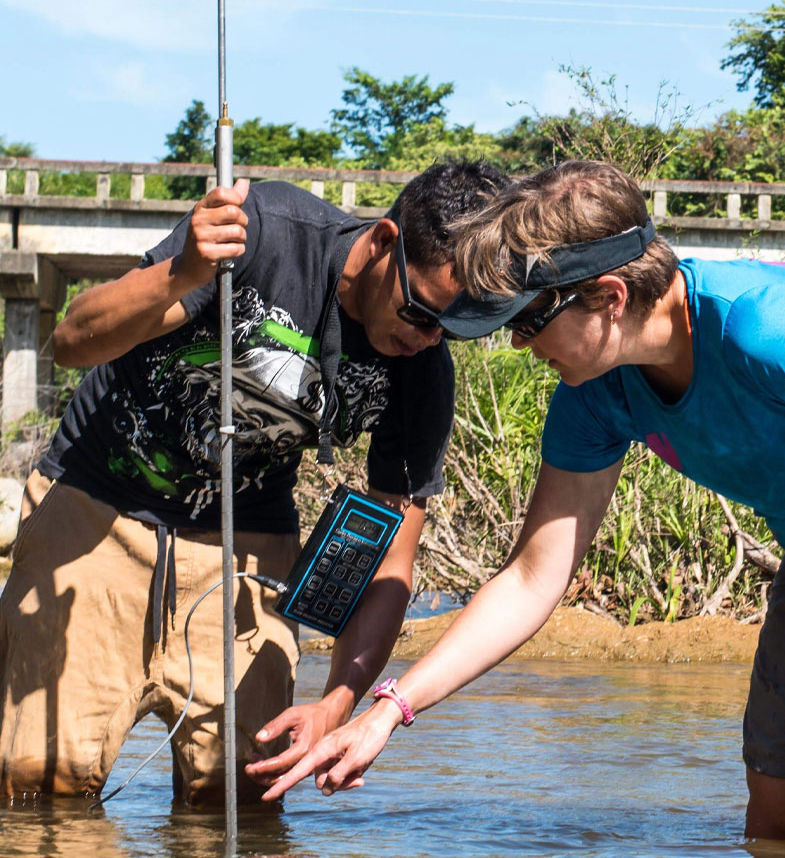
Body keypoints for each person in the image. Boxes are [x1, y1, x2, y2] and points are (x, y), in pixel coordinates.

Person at [263, 160, 785, 858]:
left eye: (526, 322)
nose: (517, 345)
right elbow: (530, 580)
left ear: (609, 297)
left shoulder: (764, 327)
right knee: (780, 843)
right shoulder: (595, 392)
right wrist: (387, 712)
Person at [0, 159, 507, 804]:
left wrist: (338, 705)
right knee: (41, 790)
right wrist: (183, 272)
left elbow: (392, 559)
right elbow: (71, 342)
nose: (428, 340)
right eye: (420, 314)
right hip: (98, 507)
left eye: (451, 331)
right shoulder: (260, 232)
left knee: (244, 797)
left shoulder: (422, 369)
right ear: (383, 243)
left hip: (245, 544)